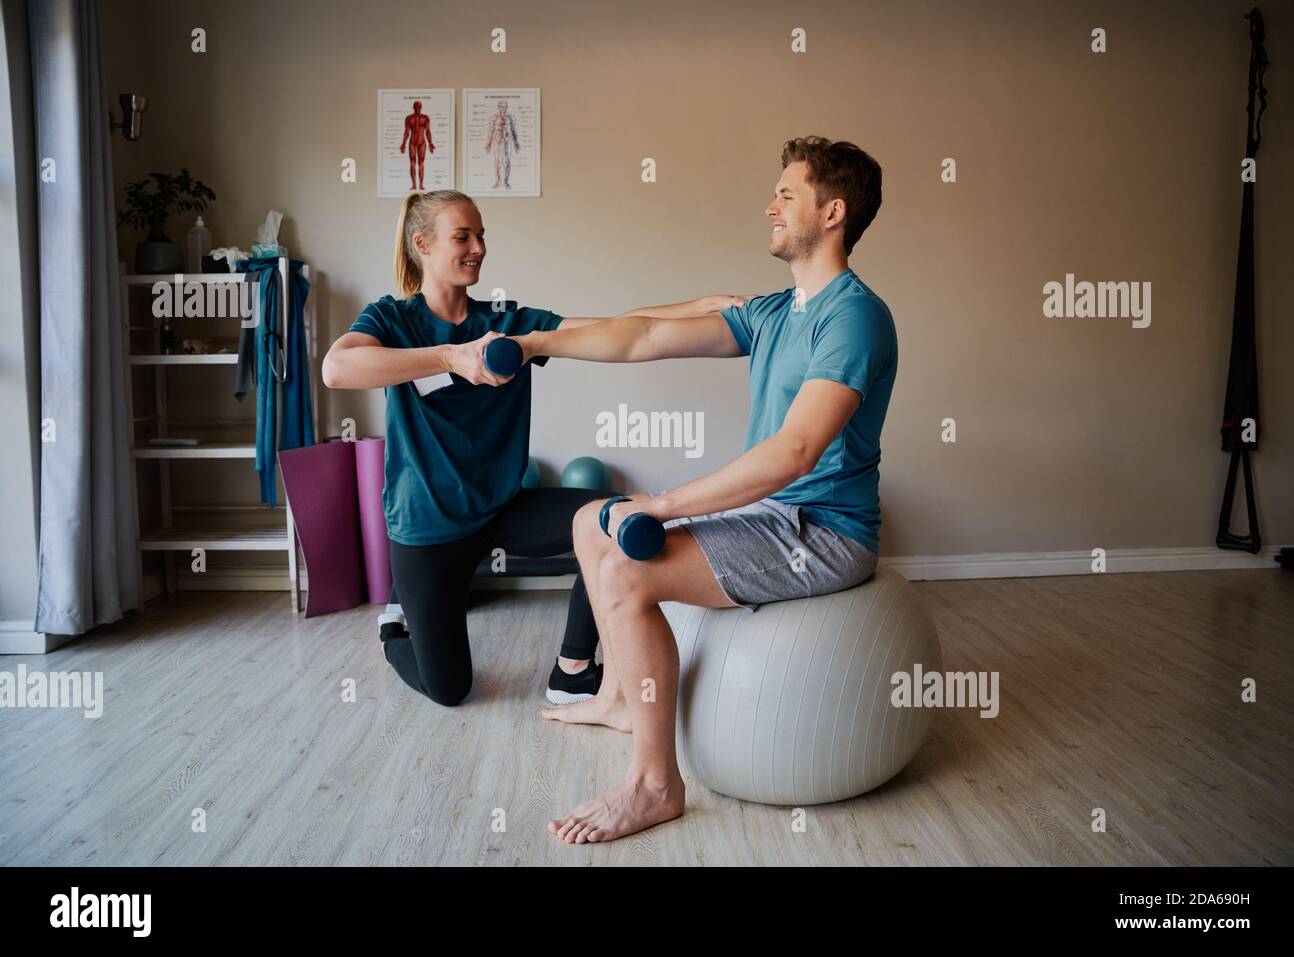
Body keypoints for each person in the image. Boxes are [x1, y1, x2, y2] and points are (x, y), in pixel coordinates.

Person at [517, 136, 896, 843]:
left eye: (787, 193)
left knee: (629, 567)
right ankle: (618, 698)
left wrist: (662, 505)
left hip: (822, 531)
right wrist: (542, 342)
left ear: (833, 211)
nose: (770, 205)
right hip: (774, 515)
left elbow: (795, 450)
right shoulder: (777, 312)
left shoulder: (856, 317)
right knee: (588, 524)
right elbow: (646, 336)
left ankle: (655, 785)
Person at [322, 189, 742, 707]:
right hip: (427, 527)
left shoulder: (505, 322)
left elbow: (613, 328)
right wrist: (449, 358)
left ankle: (571, 670)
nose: (478, 246)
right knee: (450, 690)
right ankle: (393, 632)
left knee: (611, 519)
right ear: (422, 244)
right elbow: (338, 368)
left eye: (481, 235)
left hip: (500, 507)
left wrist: (699, 307)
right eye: (463, 236)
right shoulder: (393, 319)